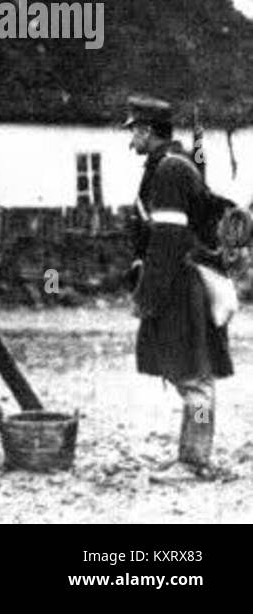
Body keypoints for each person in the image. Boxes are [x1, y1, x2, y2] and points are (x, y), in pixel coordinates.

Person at [123, 96, 235, 483]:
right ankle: (193, 456)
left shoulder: (169, 170)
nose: (130, 140)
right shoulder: (173, 164)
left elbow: (167, 239)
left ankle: (195, 460)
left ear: (148, 131)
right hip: (181, 279)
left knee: (194, 377)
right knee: (193, 372)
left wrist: (146, 297)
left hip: (180, 283)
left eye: (134, 130)